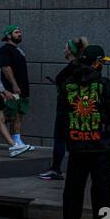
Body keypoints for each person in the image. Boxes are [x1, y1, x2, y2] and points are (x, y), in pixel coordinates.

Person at [56, 44, 110, 219]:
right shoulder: (104, 85)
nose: (103, 65)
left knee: (74, 183)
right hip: (100, 143)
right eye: (102, 62)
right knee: (102, 186)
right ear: (97, 63)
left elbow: (63, 108)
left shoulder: (68, 85)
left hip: (77, 141)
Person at [41, 37, 87, 180]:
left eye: (65, 47)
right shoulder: (83, 66)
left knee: (60, 139)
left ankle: (56, 169)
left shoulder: (72, 67)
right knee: (80, 138)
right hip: (78, 109)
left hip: (66, 109)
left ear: (71, 51)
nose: (63, 50)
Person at [0, 23, 35, 153]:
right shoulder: (5, 50)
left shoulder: (18, 50)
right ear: (8, 36)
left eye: (19, 32)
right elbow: (5, 68)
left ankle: (18, 140)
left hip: (23, 89)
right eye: (16, 32)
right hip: (11, 89)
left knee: (19, 115)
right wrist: (14, 85)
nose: (19, 34)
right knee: (9, 115)